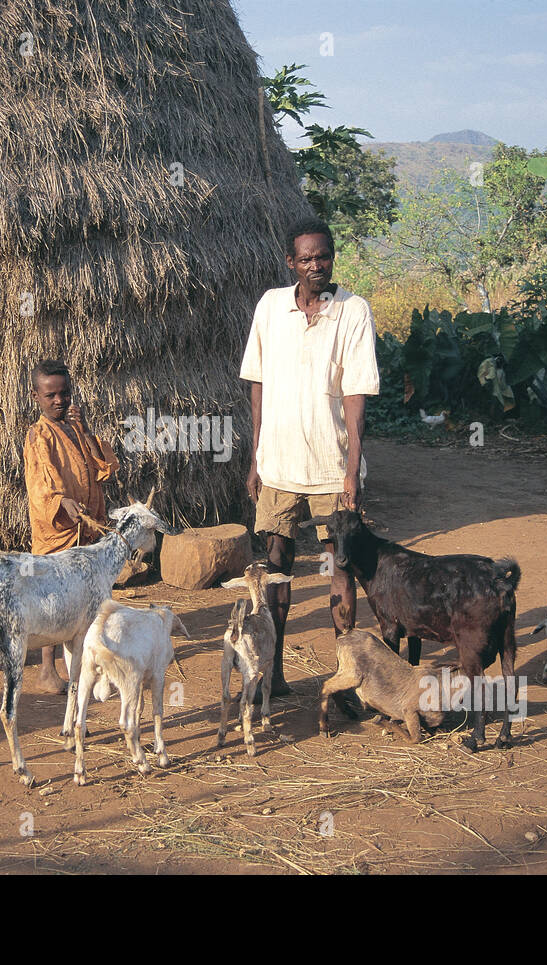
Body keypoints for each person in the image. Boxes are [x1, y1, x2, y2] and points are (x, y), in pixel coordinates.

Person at [239, 216, 380, 696]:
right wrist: (256, 458)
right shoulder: (271, 307)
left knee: (339, 569)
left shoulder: (353, 311)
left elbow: (357, 395)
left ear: (333, 256)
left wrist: (352, 470)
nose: (315, 265)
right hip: (278, 464)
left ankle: (345, 681)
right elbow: (256, 384)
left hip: (331, 468)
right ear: (290, 263)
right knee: (276, 567)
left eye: (323, 256)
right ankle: (274, 674)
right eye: (306, 258)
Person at [22, 359, 120, 694]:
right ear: (36, 396)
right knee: (53, 600)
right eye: (51, 395)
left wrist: (89, 432)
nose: (59, 401)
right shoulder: (38, 436)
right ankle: (48, 669)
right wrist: (62, 502)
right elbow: (41, 484)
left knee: (82, 600)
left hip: (86, 528)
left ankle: (85, 661)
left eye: (64, 393)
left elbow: (104, 468)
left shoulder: (76, 428)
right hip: (59, 531)